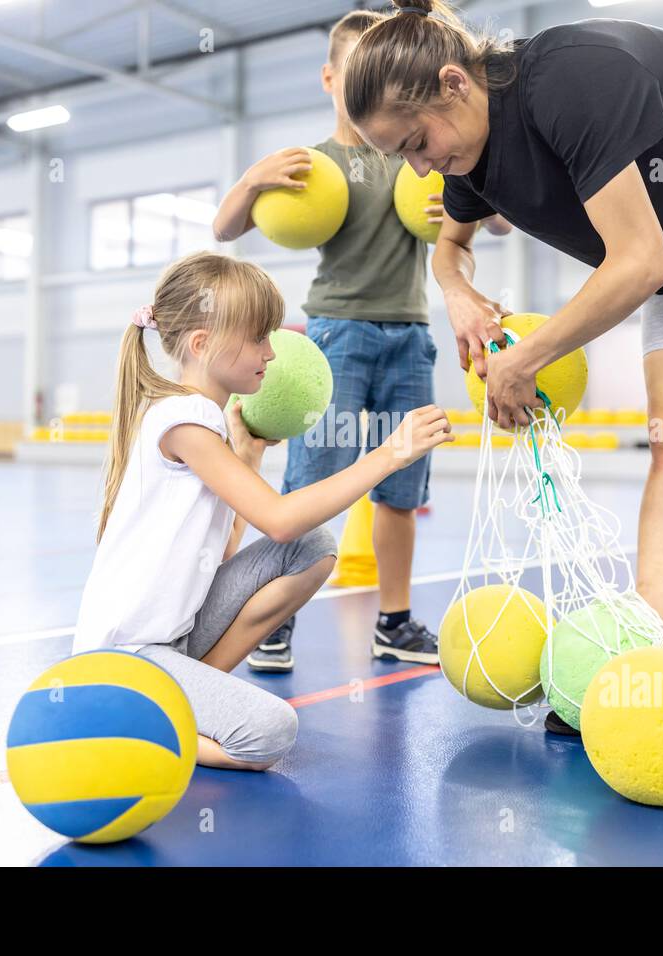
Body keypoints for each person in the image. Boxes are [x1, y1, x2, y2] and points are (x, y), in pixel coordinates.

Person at [343, 1, 663, 759]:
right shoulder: (469, 157)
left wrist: (525, 357)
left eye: (416, 142)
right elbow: (447, 250)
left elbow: (639, 261)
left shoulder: (567, 78)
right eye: (401, 156)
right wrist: (458, 293)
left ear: (453, 82)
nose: (418, 167)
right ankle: (644, 667)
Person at [72, 251, 453, 770]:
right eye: (258, 338)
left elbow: (224, 549)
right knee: (269, 734)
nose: (271, 353)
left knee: (311, 549)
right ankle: (142, 726)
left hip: (175, 638)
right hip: (128, 656)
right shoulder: (183, 419)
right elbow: (279, 517)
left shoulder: (200, 417)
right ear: (202, 344)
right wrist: (390, 454)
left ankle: (184, 689)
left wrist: (247, 454)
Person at [212, 11, 511, 673]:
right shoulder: (313, 164)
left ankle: (395, 623)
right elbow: (226, 229)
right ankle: (272, 619)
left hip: (409, 336)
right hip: (336, 337)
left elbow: (499, 227)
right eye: (353, 77)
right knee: (311, 481)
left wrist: (474, 211)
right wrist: (252, 179)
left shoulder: (423, 153)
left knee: (402, 489)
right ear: (331, 79)